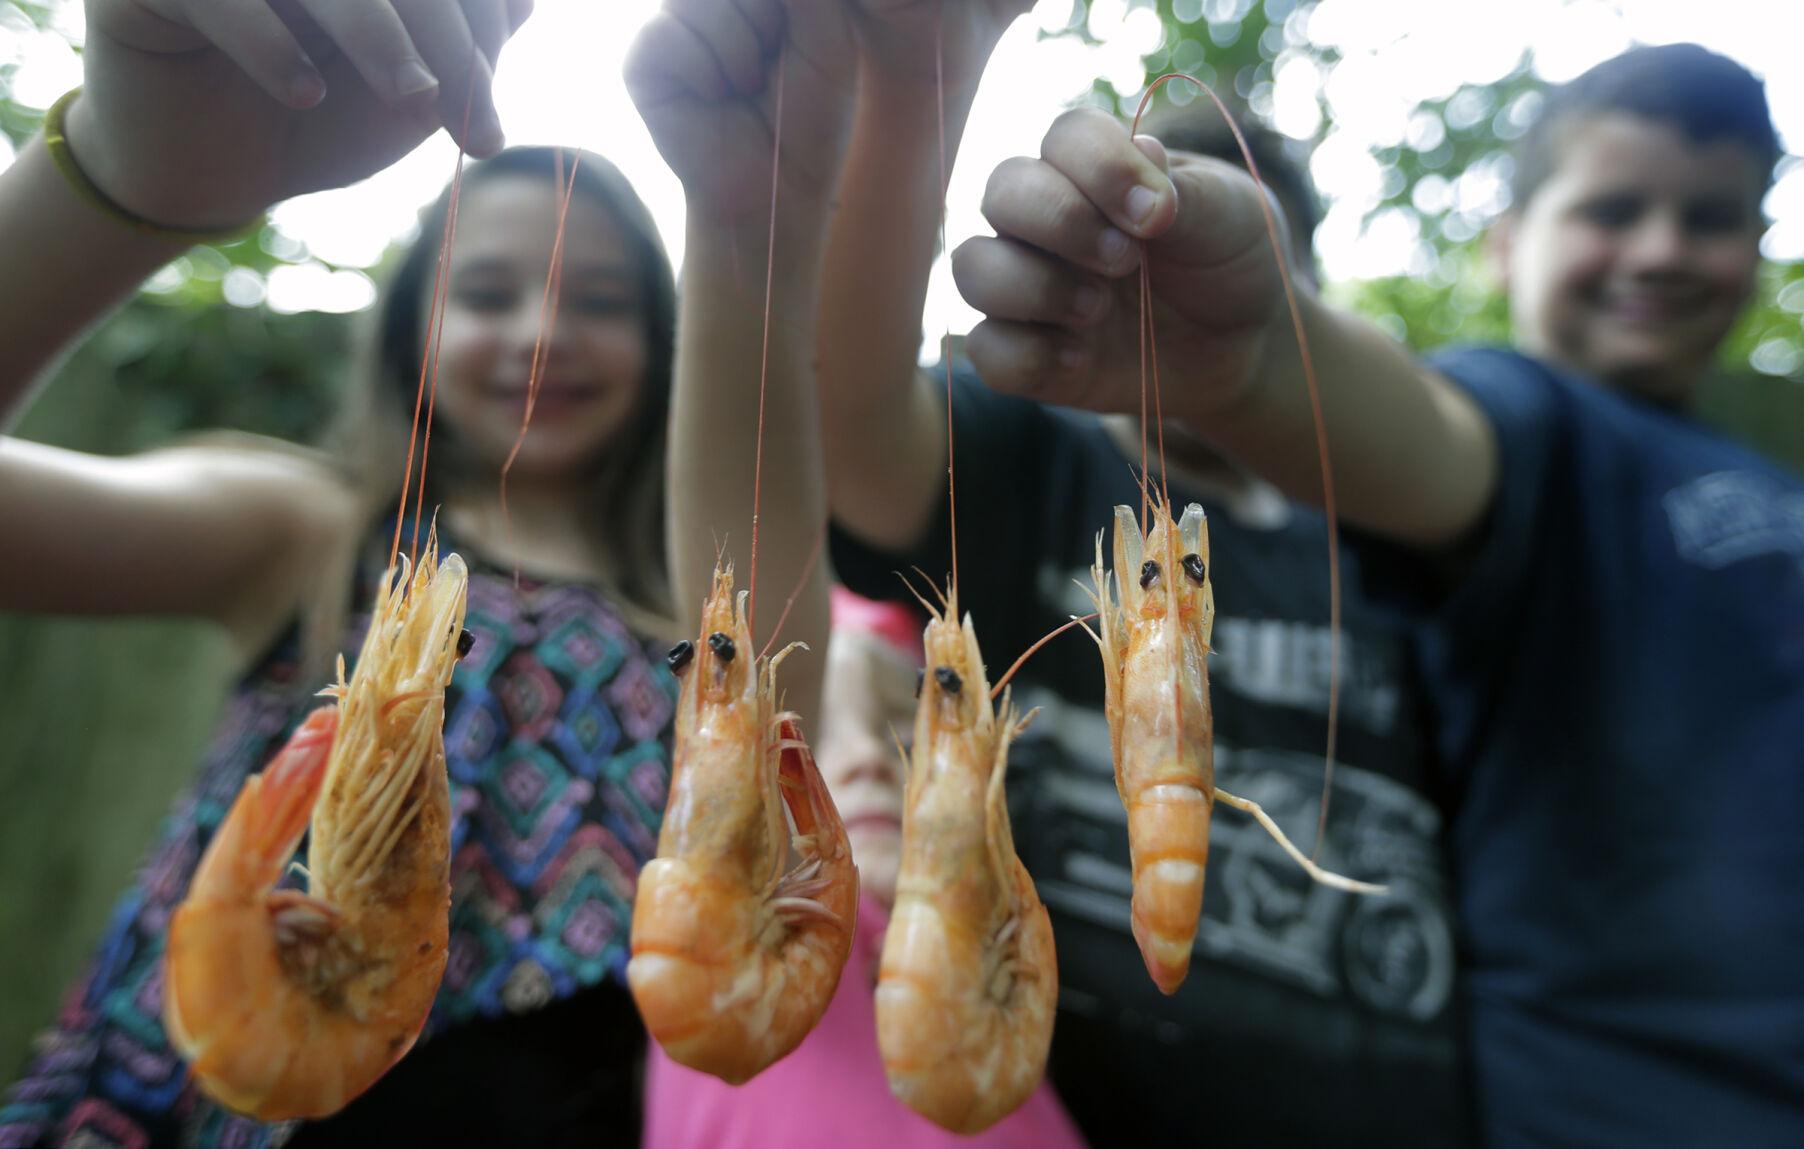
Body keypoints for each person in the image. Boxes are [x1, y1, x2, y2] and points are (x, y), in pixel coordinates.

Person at [952, 41, 1801, 1147]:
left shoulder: (1770, 478)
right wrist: (1255, 360)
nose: (1661, 248)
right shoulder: (1521, 413)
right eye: (1612, 209)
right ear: (1504, 244)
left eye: (1711, 217)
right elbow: (1429, 440)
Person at [0, 4, 687, 1145]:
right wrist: (122, 177)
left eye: (603, 302)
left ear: (666, 345)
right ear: (414, 327)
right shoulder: (305, 529)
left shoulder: (699, 620)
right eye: (487, 293)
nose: (542, 332)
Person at [816, 15, 1468, 1148]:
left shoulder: (1385, 518)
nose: (1178, 305)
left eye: (1268, 273)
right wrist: (915, 80)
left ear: (1310, 299)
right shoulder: (1027, 463)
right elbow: (850, 412)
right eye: (1142, 273)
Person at [640, 586, 1087, 1149]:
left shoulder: (982, 961)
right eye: (816, 726)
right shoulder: (721, 962)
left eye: (902, 728)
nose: (869, 756)